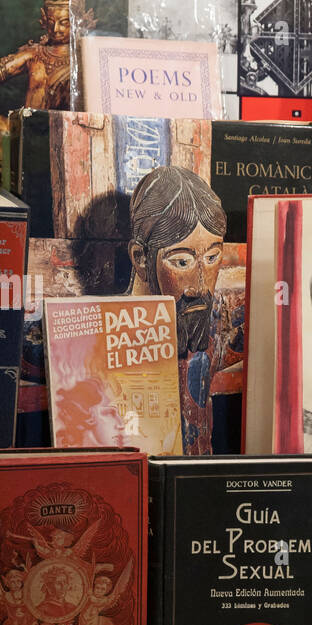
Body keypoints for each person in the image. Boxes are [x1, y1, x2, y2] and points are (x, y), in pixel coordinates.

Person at [128, 165, 238, 454]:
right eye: (181, 262)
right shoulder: (116, 335)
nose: (198, 287)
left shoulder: (223, 324)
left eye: (213, 257)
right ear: (140, 259)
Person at [0, 0, 94, 130]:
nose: (56, 28)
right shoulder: (35, 54)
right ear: (44, 19)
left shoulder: (87, 59)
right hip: (28, 135)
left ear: (77, 21)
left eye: (64, 22)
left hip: (70, 134)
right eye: (51, 22)